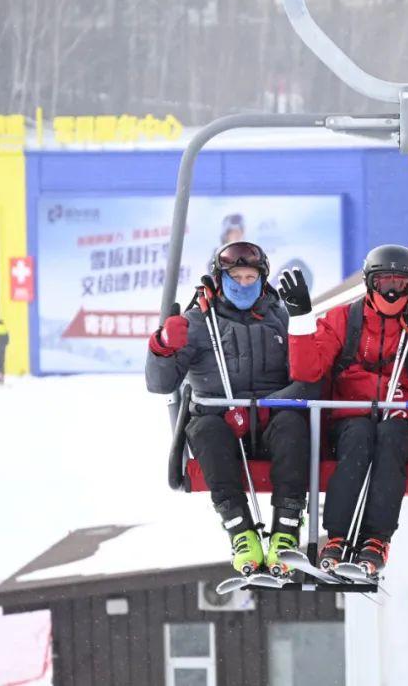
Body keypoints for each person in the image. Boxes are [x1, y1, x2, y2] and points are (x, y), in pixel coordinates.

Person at [278, 244, 408, 577]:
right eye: (385, 283)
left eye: (401, 284)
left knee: (391, 435)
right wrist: (301, 321)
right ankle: (336, 536)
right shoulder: (343, 320)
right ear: (370, 284)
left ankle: (376, 539)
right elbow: (307, 371)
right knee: (359, 435)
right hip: (353, 419)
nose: (392, 292)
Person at [147, 241, 311, 576]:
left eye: (251, 276)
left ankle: (286, 531)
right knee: (205, 431)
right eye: (236, 276)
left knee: (293, 426)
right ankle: (240, 530)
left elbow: (309, 371)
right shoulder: (196, 322)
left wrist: (283, 397)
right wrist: (164, 347)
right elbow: (161, 384)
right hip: (220, 422)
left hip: (270, 421)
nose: (244, 284)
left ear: (263, 279)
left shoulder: (280, 318)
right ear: (220, 278)